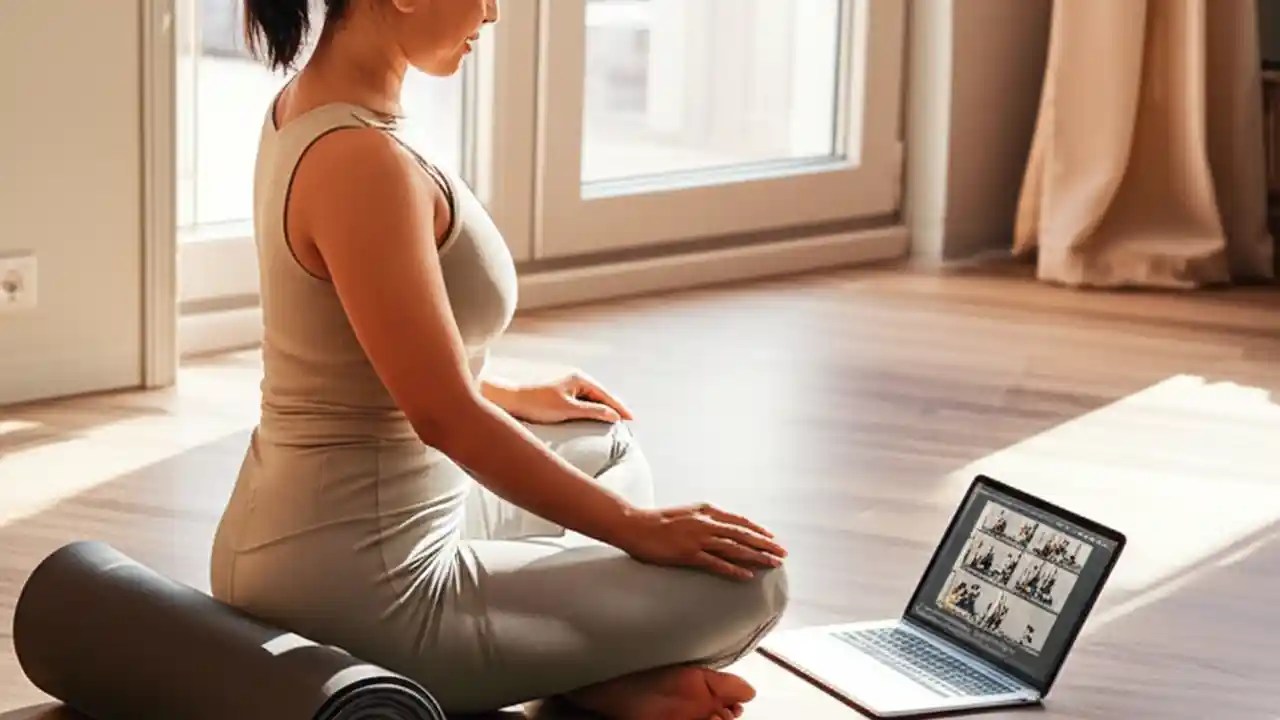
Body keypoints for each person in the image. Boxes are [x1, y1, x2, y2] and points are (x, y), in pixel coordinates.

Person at [206, 2, 789, 718]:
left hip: (331, 538)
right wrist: (644, 532)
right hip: (364, 596)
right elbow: (445, 418)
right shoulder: (360, 161)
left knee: (601, 443)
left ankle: (586, 663)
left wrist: (507, 392)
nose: (493, 11)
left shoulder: (312, 110)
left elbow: (350, 355)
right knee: (754, 583)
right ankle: (600, 672)